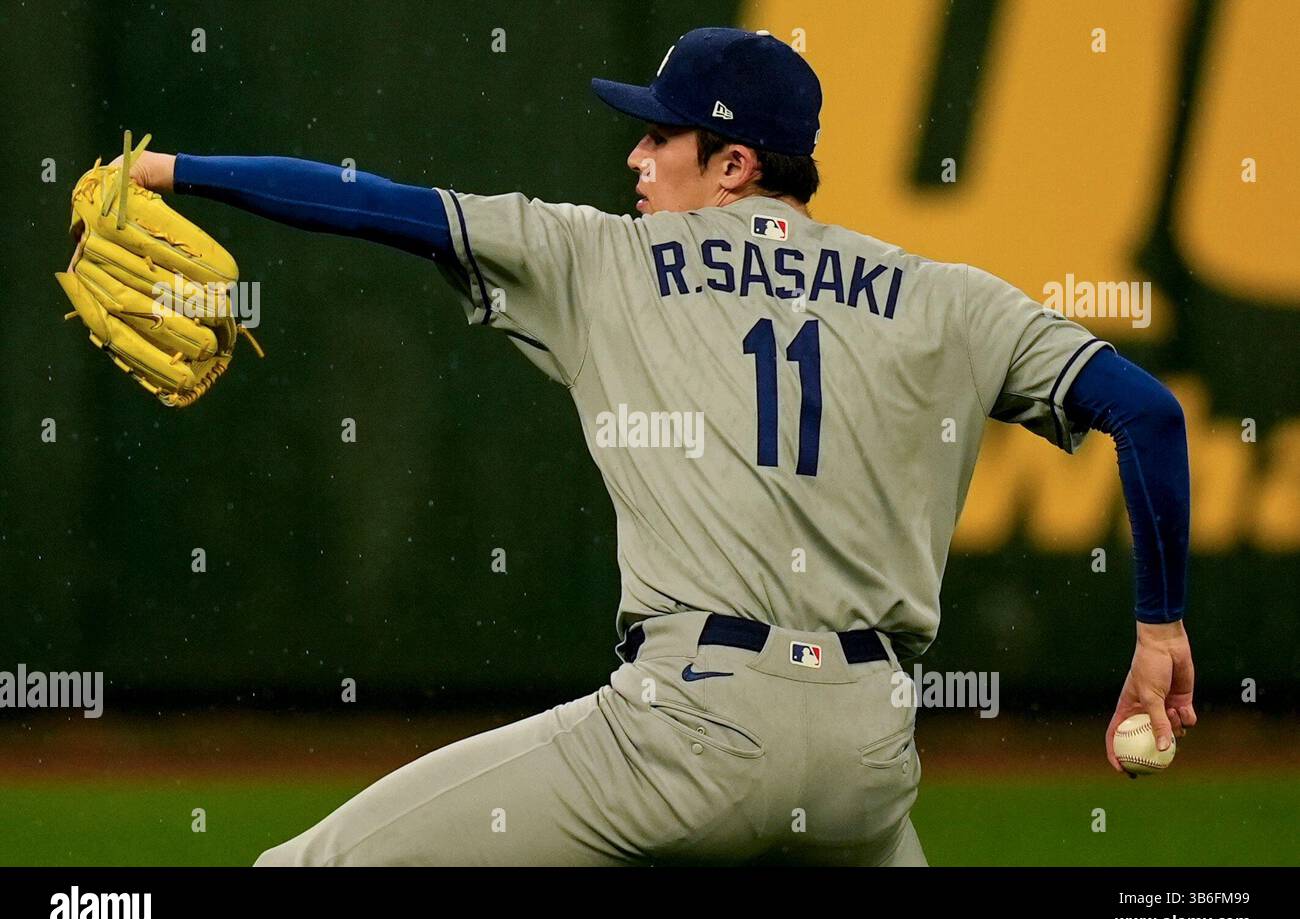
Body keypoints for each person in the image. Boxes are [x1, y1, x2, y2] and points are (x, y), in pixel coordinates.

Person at [114, 27, 1195, 866]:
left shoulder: (608, 258)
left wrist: (169, 169)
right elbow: (1146, 413)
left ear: (731, 163)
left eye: (658, 136)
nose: (635, 156)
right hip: (870, 754)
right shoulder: (947, 299)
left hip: (687, 731)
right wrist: (1155, 633)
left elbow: (375, 205)